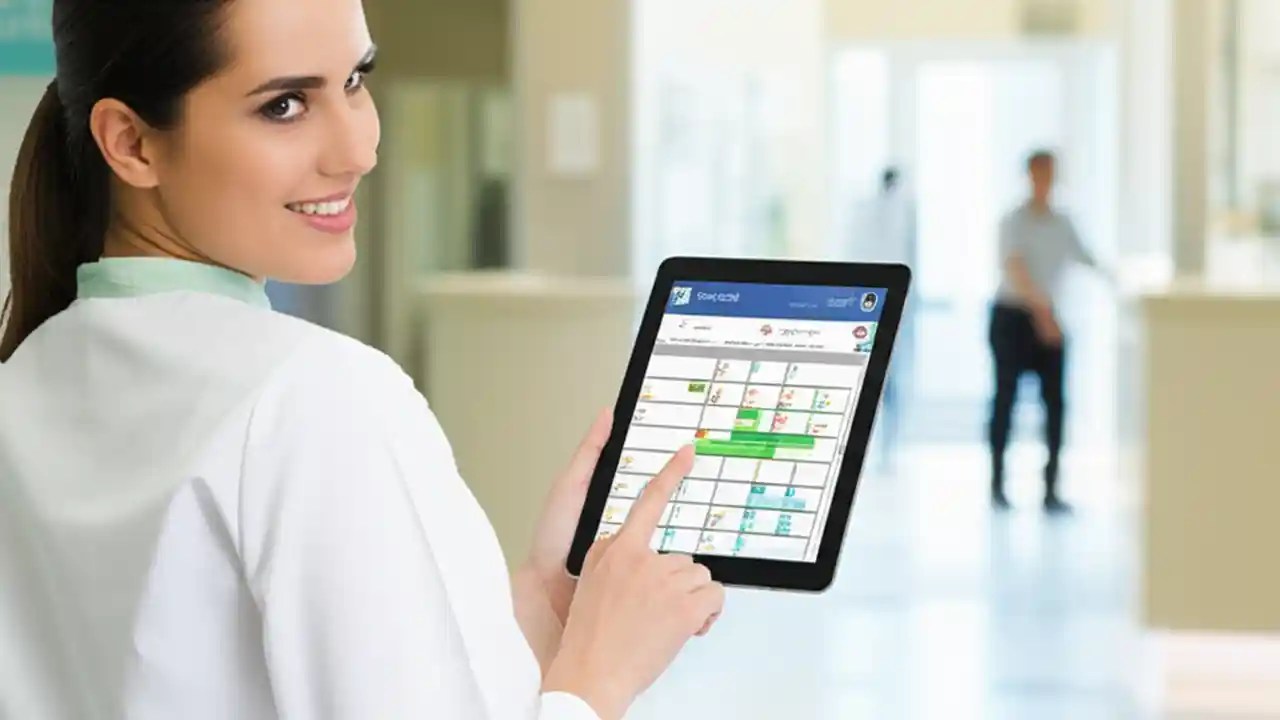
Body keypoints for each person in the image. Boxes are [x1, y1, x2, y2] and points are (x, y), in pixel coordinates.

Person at [0, 2, 723, 719]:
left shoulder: (22, 382)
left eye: (355, 78)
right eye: (284, 105)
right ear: (130, 143)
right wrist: (602, 676)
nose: (357, 149)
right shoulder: (314, 396)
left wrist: (538, 602)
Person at [989, 150, 1102, 514]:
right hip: (1014, 318)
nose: (1046, 180)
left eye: (1051, 173)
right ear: (1029, 175)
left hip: (1049, 319)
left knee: (1055, 406)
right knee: (1005, 401)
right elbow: (1015, 269)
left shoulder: (1063, 223)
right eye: (1040, 173)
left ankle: (1051, 489)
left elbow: (1088, 259)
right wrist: (1043, 314)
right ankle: (997, 485)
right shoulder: (1013, 221)